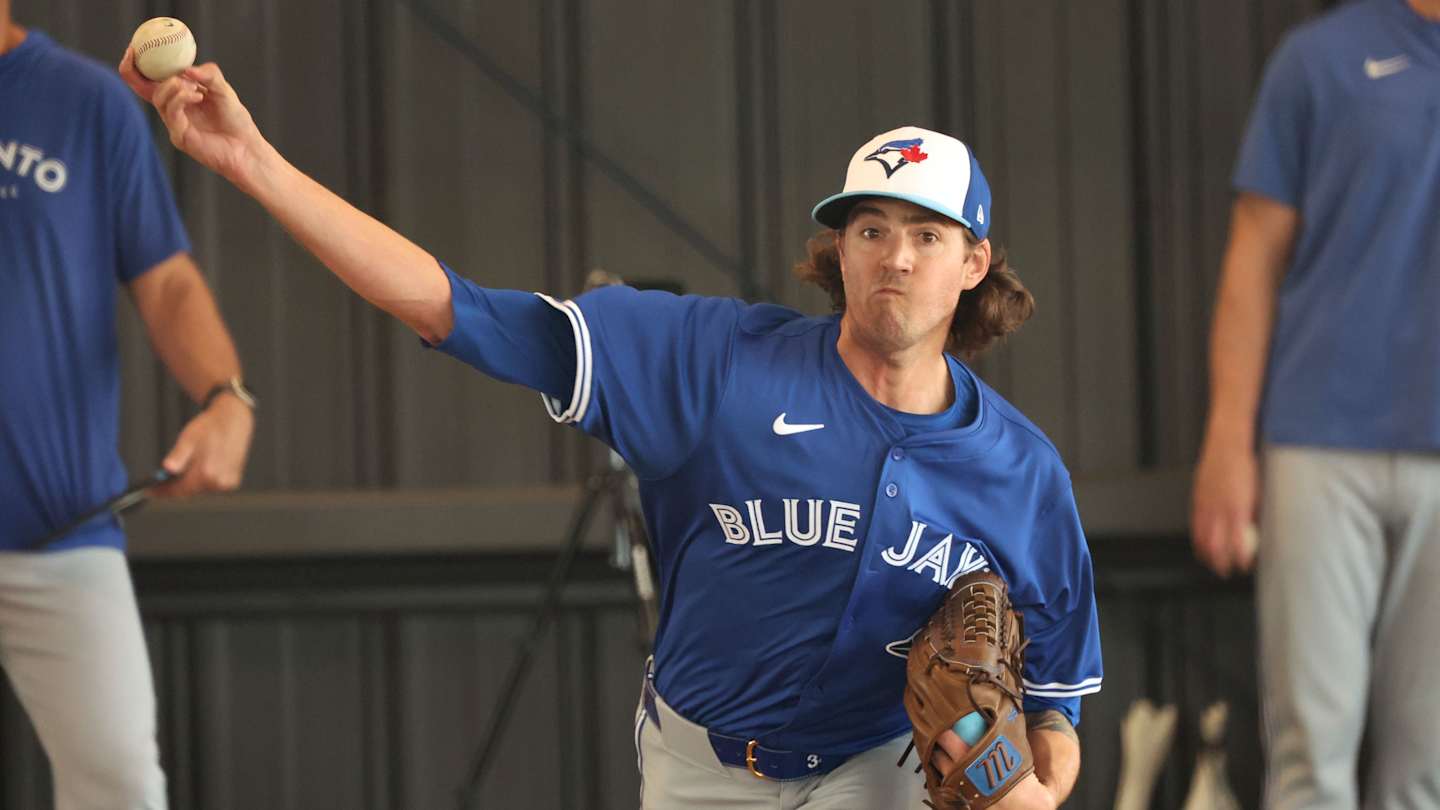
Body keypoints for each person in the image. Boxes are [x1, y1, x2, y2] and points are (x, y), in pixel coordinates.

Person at [120, 48, 1102, 808]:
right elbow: (457, 310)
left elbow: (1056, 701)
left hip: (873, 764)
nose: (896, 257)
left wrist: (1037, 789)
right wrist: (253, 163)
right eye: (871, 229)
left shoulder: (1021, 473)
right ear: (837, 250)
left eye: (927, 234)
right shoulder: (715, 363)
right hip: (700, 765)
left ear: (973, 264)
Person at [0, 7, 255, 808]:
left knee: (119, 785)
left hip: (61, 529)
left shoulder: (86, 102)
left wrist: (226, 399)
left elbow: (167, 281)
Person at [1191, 0, 1440, 807]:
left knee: (1429, 766)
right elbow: (1253, 254)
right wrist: (1228, 444)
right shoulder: (1320, 59)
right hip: (1318, 439)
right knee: (1307, 755)